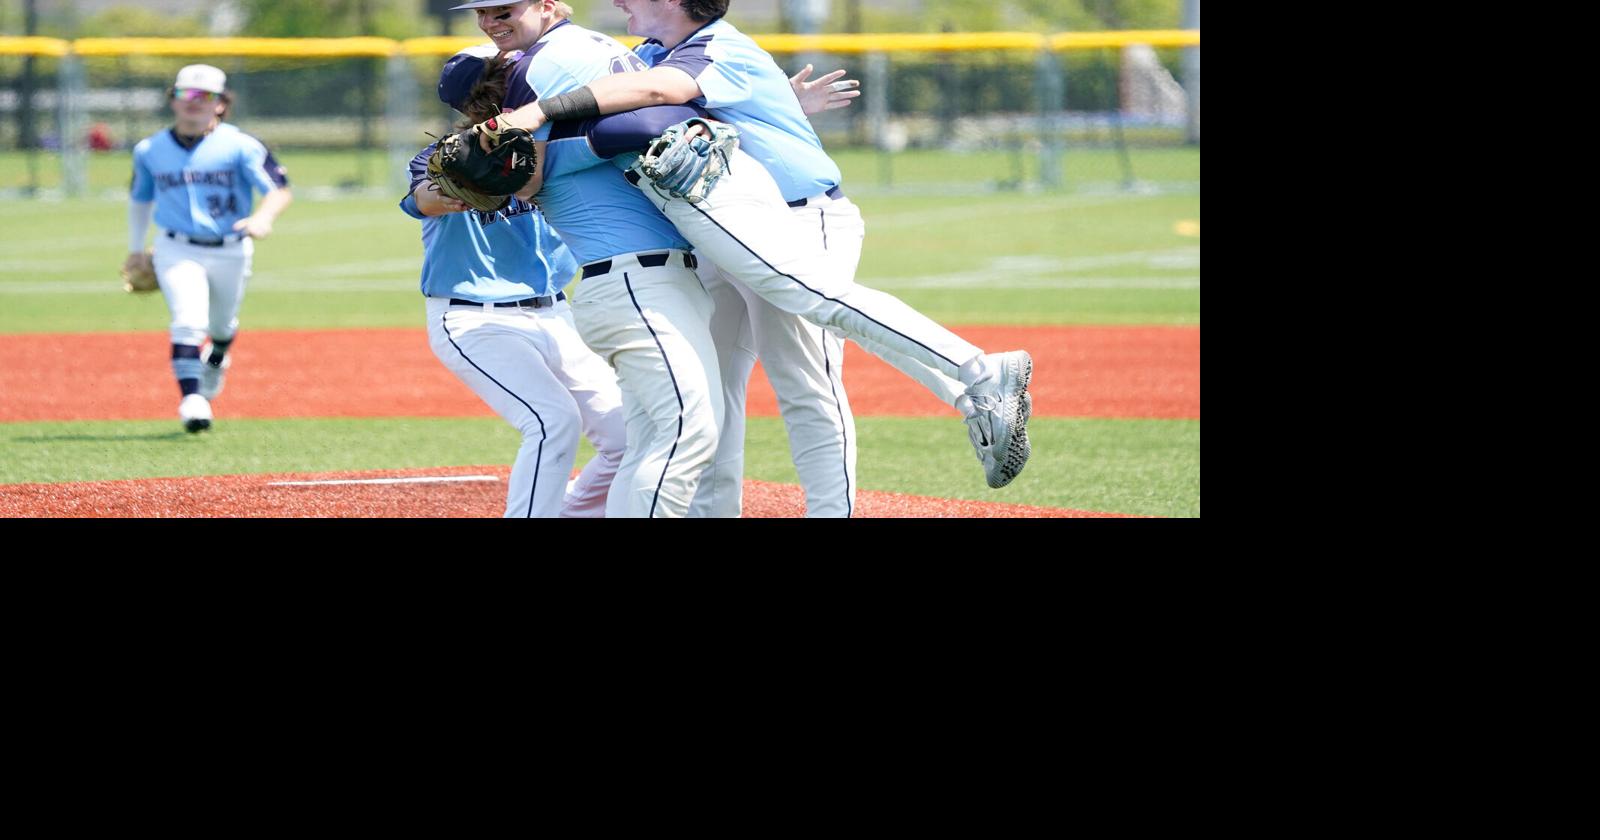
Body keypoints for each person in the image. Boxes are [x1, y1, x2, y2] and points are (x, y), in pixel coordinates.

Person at [499, 0, 1034, 489]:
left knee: (807, 379)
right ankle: (976, 384)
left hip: (802, 213)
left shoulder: (716, 45)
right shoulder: (655, 53)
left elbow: (663, 93)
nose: (618, 2)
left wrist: (541, 110)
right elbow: (649, 98)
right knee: (720, 390)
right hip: (718, 226)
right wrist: (780, 98)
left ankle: (978, 379)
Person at [453, 0, 722, 518]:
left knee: (646, 442)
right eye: (482, 14)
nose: (490, 23)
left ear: (548, 6)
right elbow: (527, 178)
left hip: (652, 275)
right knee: (688, 430)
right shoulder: (573, 55)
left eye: (502, 10)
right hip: (630, 281)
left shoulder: (550, 64)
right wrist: (594, 144)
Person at [402, 44, 626, 518]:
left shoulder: (553, 150)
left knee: (629, 435)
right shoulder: (444, 156)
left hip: (558, 315)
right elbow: (424, 197)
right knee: (552, 421)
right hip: (474, 320)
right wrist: (461, 189)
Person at [125, 64, 292, 433]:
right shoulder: (149, 150)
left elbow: (279, 189)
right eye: (186, 94)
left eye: (205, 97)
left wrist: (262, 218)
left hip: (230, 248)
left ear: (220, 104)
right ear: (173, 100)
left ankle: (216, 356)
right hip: (175, 247)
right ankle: (192, 399)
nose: (194, 103)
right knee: (187, 320)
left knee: (221, 325)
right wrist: (136, 248)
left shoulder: (242, 145)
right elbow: (140, 200)